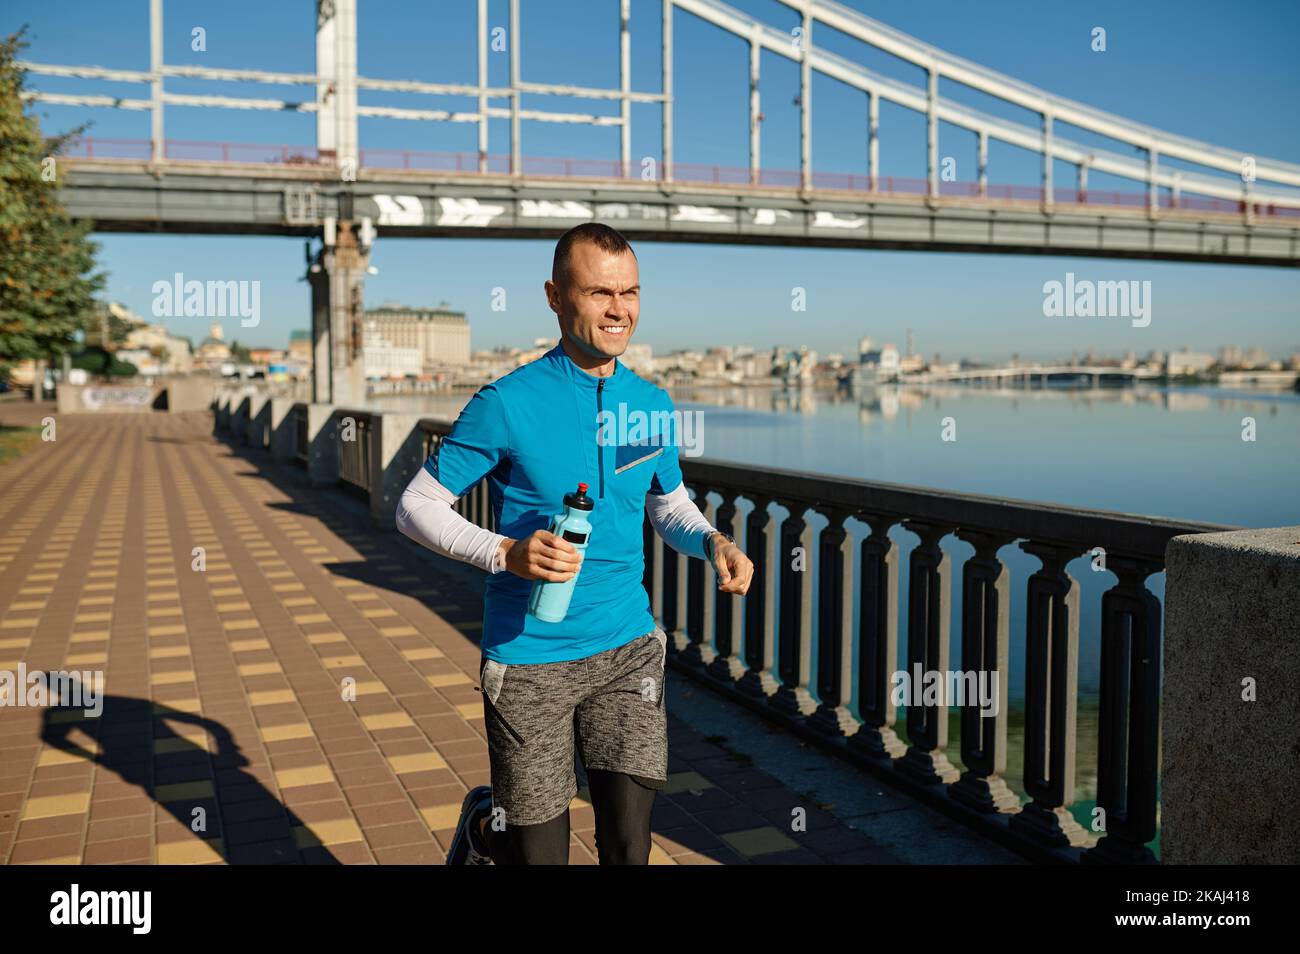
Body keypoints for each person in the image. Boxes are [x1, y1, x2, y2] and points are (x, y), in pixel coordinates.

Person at [396, 222, 753, 865]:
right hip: (529, 657)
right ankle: (486, 829)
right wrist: (504, 553)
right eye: (598, 293)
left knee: (628, 846)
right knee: (541, 857)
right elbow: (414, 506)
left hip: (626, 648)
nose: (619, 309)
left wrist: (713, 542)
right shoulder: (507, 402)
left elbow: (665, 505)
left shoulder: (649, 403)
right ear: (556, 297)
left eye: (630, 293)